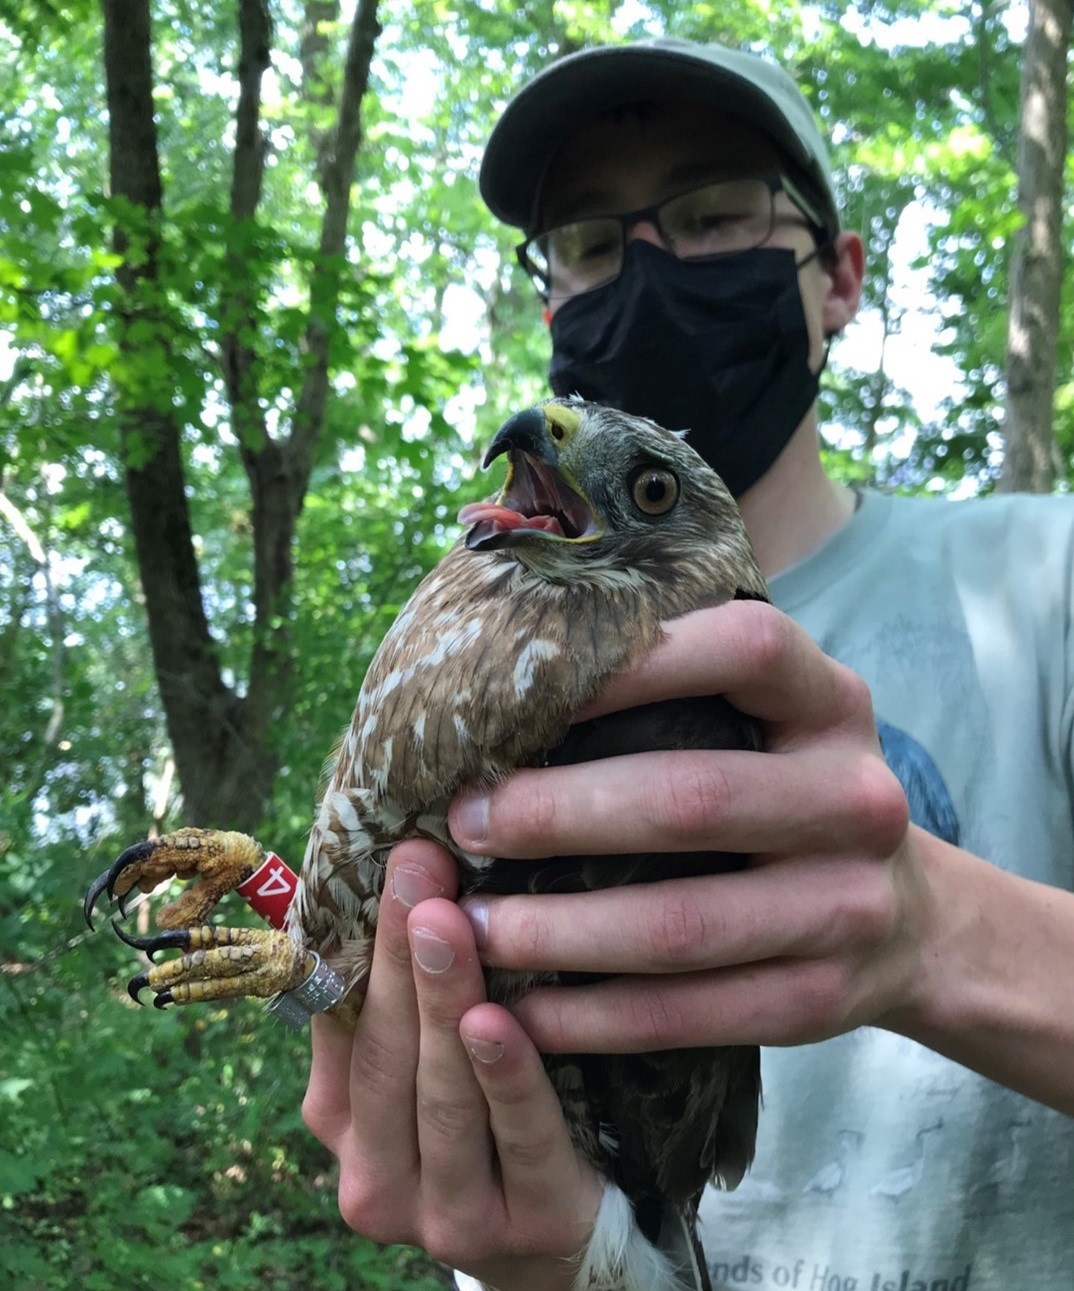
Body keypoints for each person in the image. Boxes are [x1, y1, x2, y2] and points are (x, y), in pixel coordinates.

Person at [301, 37, 1074, 1291]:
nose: (648, 271)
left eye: (711, 213)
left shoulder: (1049, 580)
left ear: (839, 275)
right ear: (552, 306)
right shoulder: (464, 618)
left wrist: (934, 934)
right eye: (596, 246)